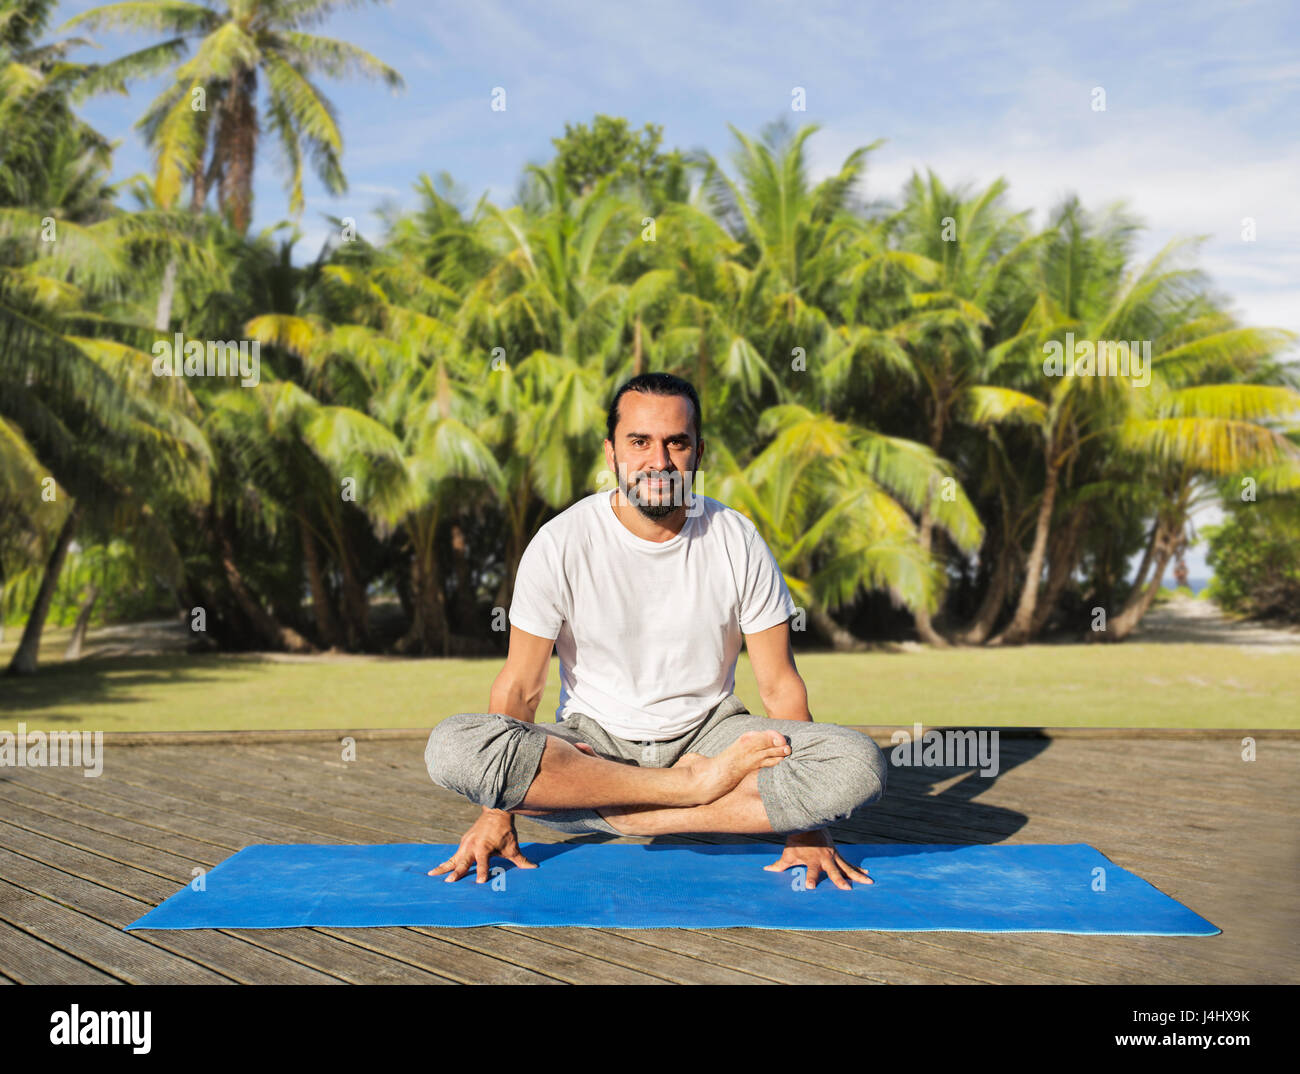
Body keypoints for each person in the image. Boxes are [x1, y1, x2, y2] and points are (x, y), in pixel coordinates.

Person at [424, 372, 887, 890]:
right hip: (592, 749)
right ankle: (690, 791)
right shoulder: (560, 542)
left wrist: (808, 828)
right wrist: (495, 814)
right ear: (611, 452)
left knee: (857, 765)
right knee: (455, 747)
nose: (659, 461)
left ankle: (641, 810)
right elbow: (520, 687)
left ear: (699, 452)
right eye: (639, 442)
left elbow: (779, 683)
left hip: (712, 738)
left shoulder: (736, 538)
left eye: (676, 443)